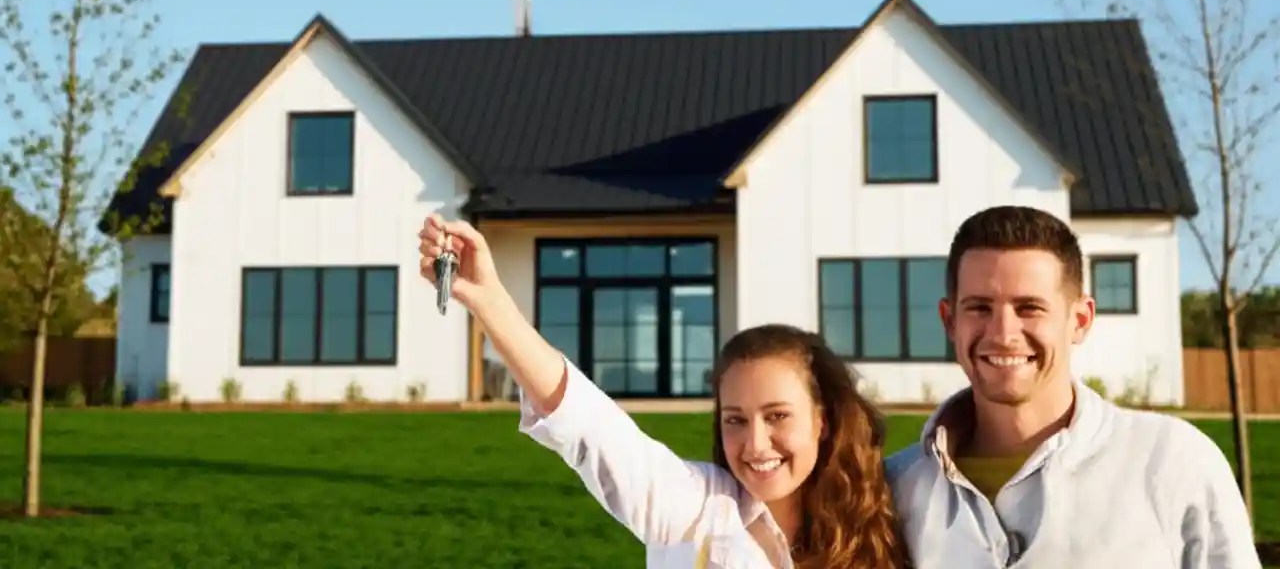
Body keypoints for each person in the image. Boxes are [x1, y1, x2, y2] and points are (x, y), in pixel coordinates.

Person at [418, 214, 907, 568]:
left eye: (777, 416)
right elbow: (592, 430)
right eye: (735, 419)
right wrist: (490, 303)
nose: (756, 444)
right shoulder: (698, 508)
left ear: (822, 420)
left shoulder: (885, 516)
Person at [886, 205, 1260, 567]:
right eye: (980, 308)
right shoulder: (894, 491)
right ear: (950, 321)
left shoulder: (1172, 465)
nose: (1003, 334)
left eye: (1029, 308)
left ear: (1080, 320)